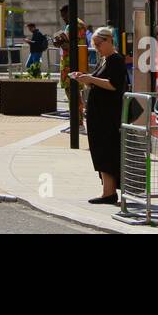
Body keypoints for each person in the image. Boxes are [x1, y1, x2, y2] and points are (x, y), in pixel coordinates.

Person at [69, 26, 126, 205]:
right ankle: (107, 191)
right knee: (100, 151)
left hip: (108, 115)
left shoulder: (116, 60)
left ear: (109, 40)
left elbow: (113, 85)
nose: (96, 48)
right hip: (98, 114)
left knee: (106, 151)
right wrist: (84, 78)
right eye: (94, 44)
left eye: (98, 44)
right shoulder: (104, 60)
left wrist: (91, 79)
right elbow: (97, 81)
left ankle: (109, 193)